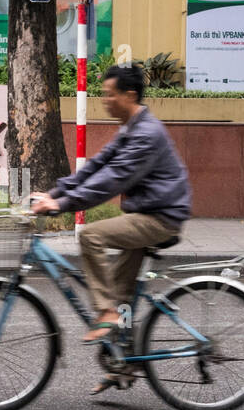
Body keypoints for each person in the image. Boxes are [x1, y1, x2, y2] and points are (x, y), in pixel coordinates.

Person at [31, 65, 192, 345]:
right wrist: (53, 194)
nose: (104, 100)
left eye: (109, 94)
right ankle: (124, 361)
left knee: (92, 236)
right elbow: (96, 166)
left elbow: (110, 180)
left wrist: (61, 204)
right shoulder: (132, 128)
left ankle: (106, 313)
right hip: (147, 212)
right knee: (121, 293)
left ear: (129, 96)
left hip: (160, 217)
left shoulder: (146, 135)